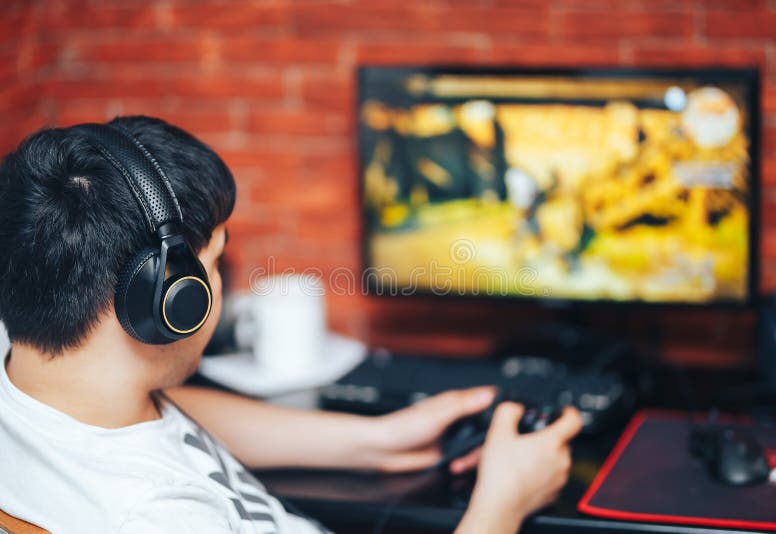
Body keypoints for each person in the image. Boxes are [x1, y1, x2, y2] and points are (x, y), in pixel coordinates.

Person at [0, 116, 582, 533]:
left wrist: (377, 442)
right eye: (216, 263)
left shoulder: (40, 375)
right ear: (173, 300)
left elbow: (147, 412)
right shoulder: (159, 518)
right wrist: (502, 506)